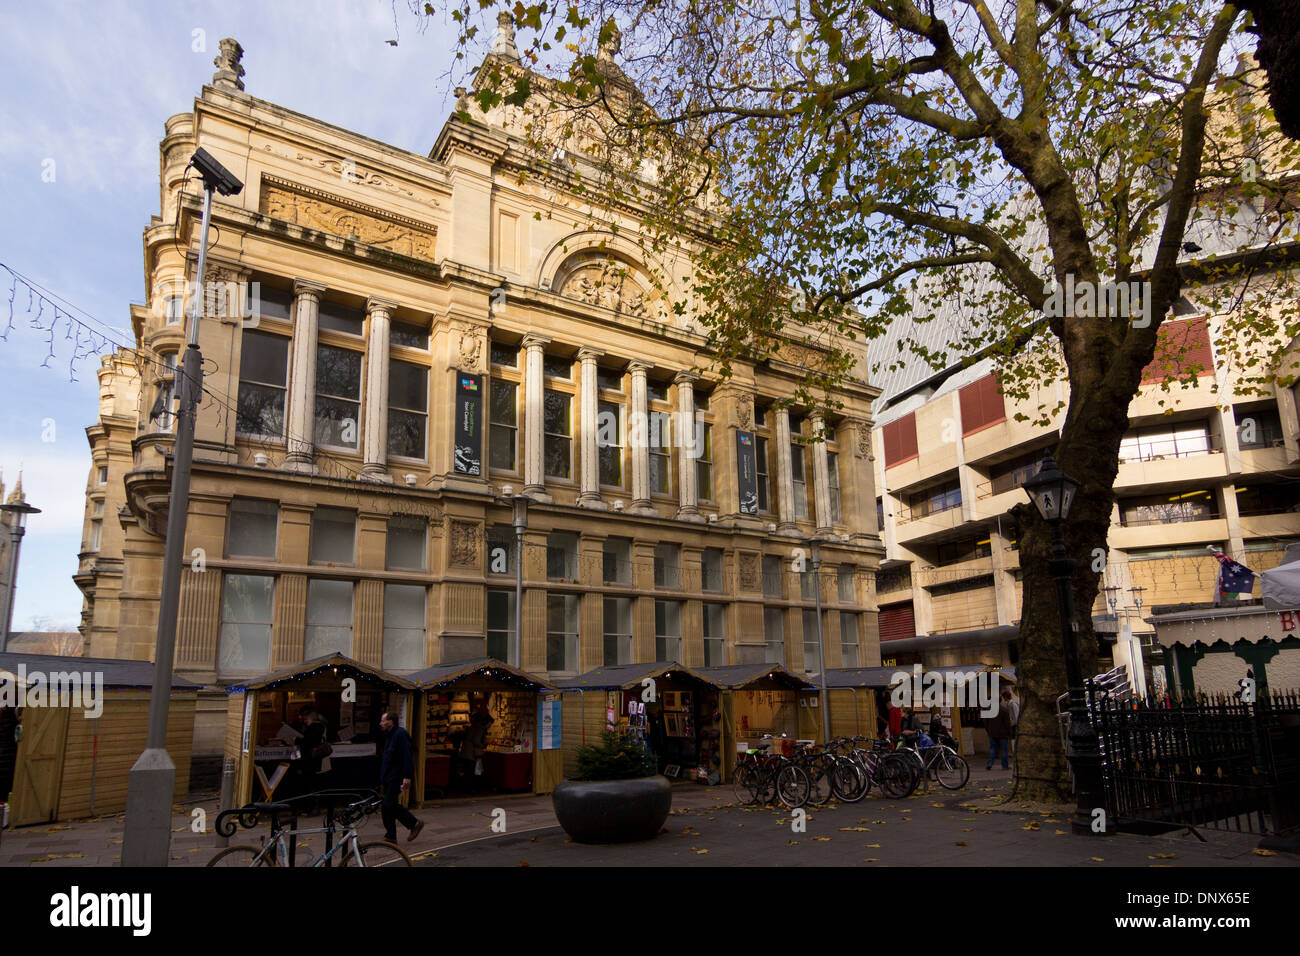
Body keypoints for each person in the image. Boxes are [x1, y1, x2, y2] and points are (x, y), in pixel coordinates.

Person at [378, 711, 424, 843]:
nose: (380, 724)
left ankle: (414, 823)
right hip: (388, 777)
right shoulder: (389, 735)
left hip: (395, 777)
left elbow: (406, 756)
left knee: (389, 804)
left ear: (390, 722)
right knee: (387, 806)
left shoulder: (400, 734)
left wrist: (407, 776)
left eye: (383, 721)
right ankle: (390, 836)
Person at [984, 693, 1014, 770]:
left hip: (992, 733)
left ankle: (990, 764)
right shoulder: (1004, 710)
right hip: (1003, 733)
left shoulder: (987, 710)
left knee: (992, 749)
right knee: (1004, 750)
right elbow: (1007, 723)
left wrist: (988, 731)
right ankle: (1005, 766)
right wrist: (1009, 732)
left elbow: (985, 723)